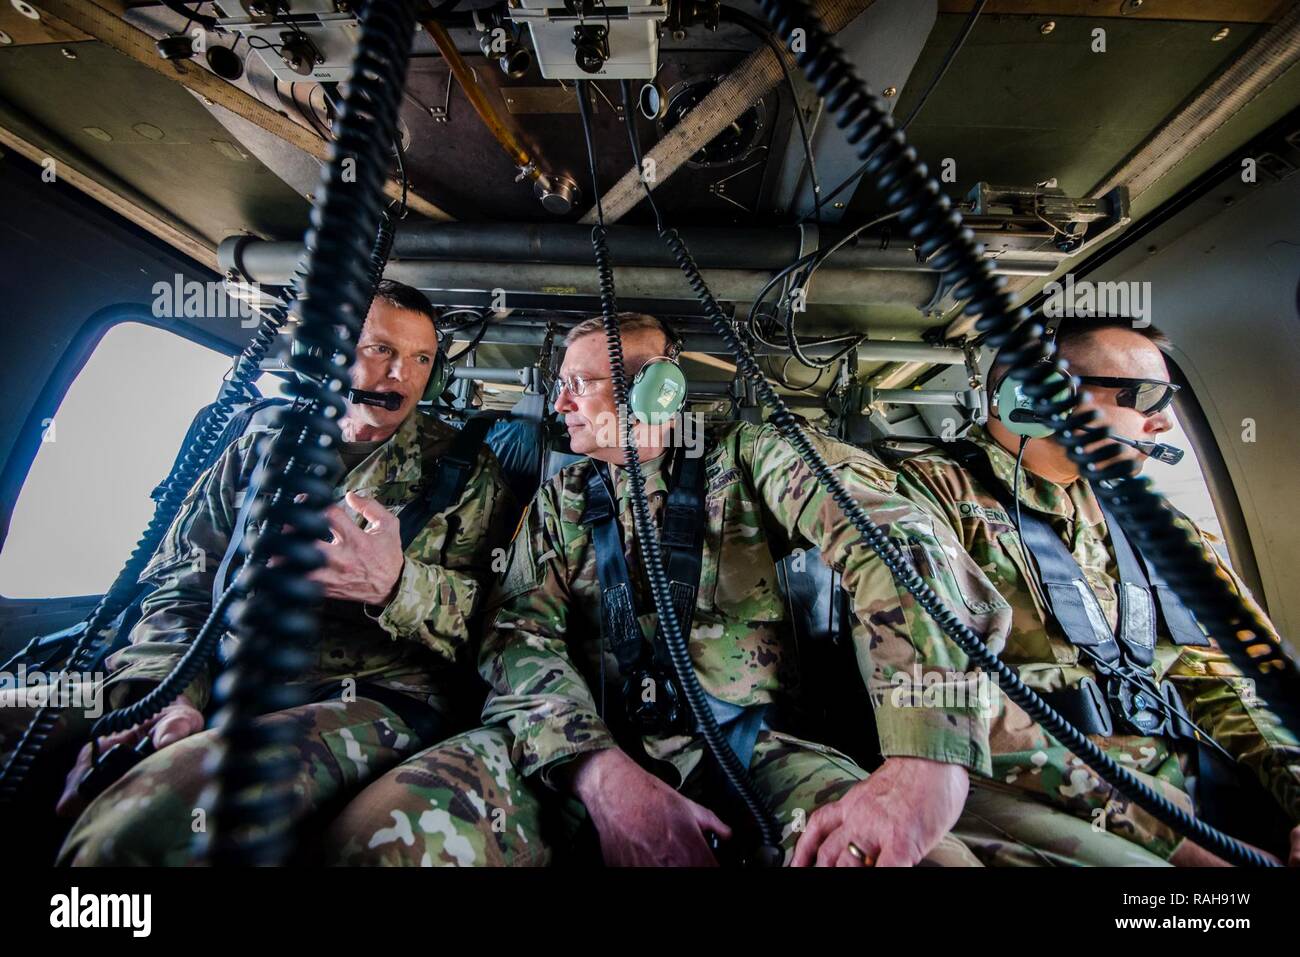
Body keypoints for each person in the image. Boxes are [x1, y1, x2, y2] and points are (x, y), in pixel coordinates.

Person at [322, 312, 1069, 867]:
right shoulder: (559, 500)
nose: (559, 406)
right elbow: (516, 639)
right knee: (379, 838)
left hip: (746, 751)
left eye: (577, 385)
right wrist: (601, 774)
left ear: (656, 388)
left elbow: (895, 538)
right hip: (573, 753)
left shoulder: (748, 459)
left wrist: (926, 757)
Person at [51, 280, 514, 865]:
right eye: (382, 350)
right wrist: (165, 693)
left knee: (140, 823)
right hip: (217, 667)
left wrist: (400, 586)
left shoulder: (467, 470)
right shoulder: (263, 443)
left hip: (372, 692)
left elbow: (500, 625)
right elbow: (185, 582)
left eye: (422, 359)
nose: (402, 374)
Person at [892, 317, 1300, 866]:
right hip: (1031, 791)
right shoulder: (922, 500)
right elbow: (934, 692)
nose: (1163, 422)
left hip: (1188, 776)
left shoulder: (1156, 524)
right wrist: (1173, 833)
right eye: (1146, 396)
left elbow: (1231, 677)